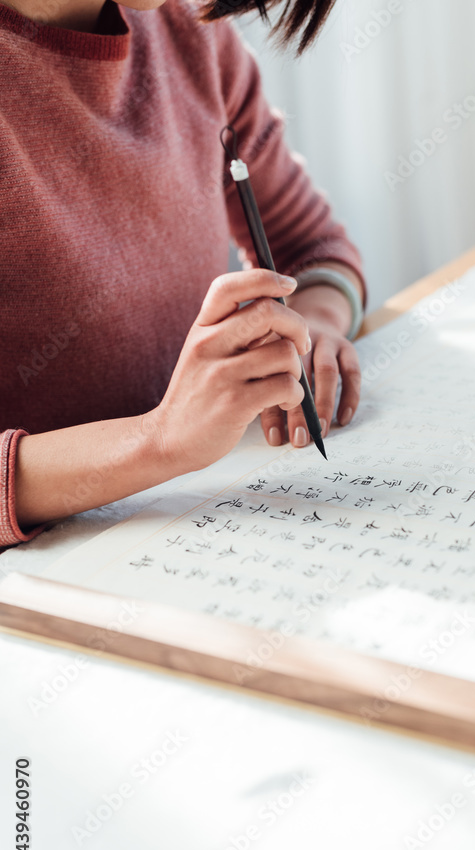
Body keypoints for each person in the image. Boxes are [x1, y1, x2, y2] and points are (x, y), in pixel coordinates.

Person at [0, 0, 365, 548]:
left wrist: (314, 326)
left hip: (186, 526)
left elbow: (312, 245)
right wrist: (158, 440)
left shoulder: (189, 29)